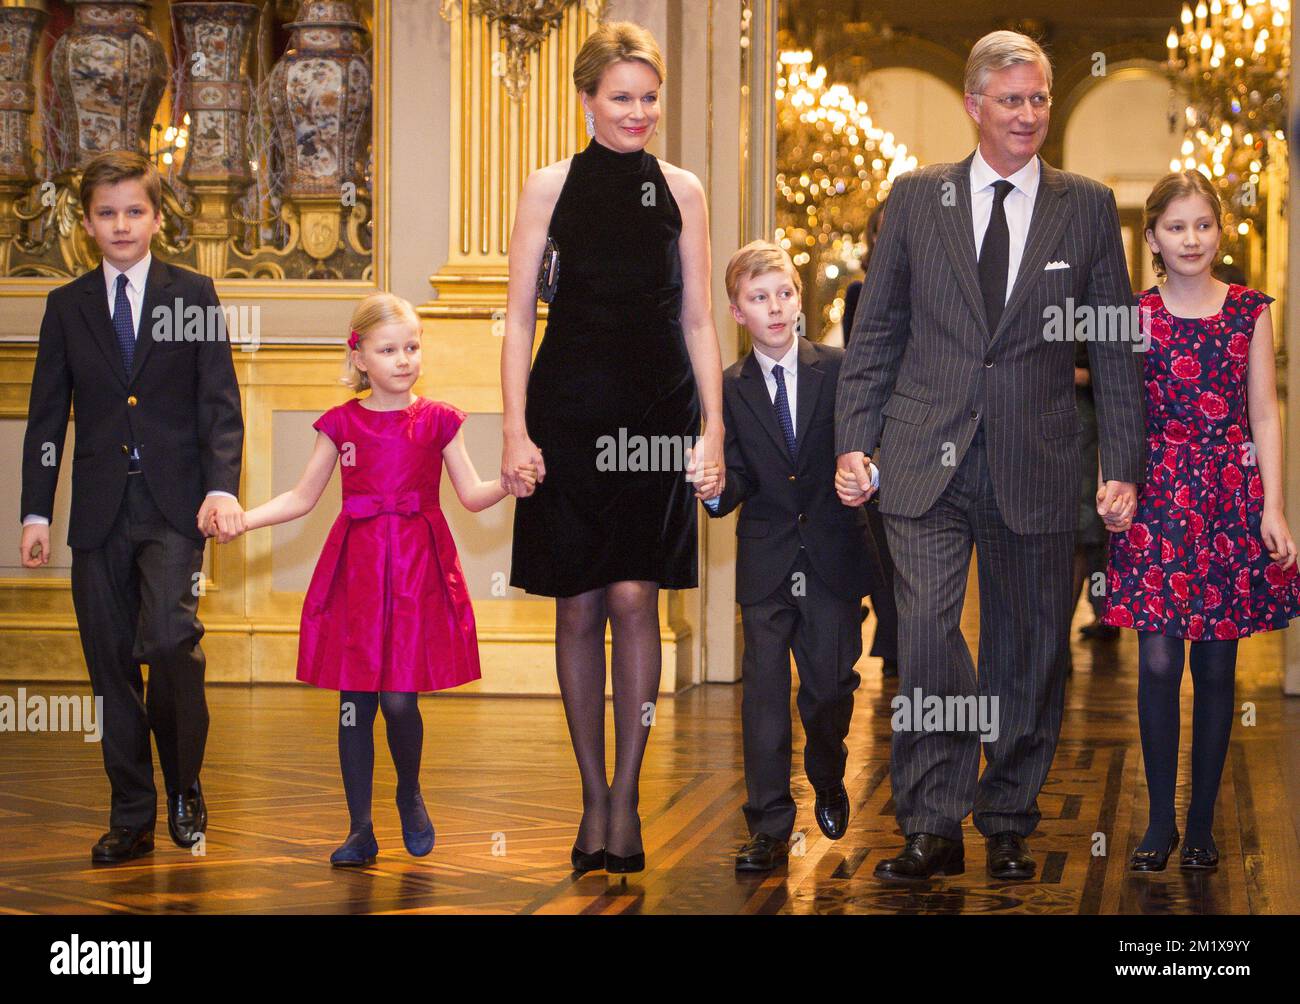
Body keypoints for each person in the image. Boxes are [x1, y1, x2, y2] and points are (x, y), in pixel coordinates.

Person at [834, 30, 1146, 882]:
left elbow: (1114, 346)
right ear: (974, 106)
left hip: (1037, 456)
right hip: (922, 453)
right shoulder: (914, 197)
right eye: (1012, 100)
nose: (1029, 115)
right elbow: (877, 335)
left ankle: (1007, 810)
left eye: (1040, 98)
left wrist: (1120, 462)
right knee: (929, 636)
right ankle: (932, 820)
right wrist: (854, 441)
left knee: (1031, 644)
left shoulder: (1083, 206)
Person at [499, 21, 725, 875]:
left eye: (650, 98)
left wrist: (715, 428)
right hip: (568, 413)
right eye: (622, 97)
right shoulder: (547, 188)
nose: (639, 112)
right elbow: (520, 317)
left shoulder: (685, 190)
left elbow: (699, 318)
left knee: (636, 596)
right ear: (588, 99)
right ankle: (590, 793)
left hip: (660, 410)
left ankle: (628, 795)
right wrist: (515, 430)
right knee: (579, 602)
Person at [226, 293, 536, 865]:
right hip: (358, 569)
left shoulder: (440, 420)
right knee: (355, 701)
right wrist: (245, 519)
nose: (403, 359)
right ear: (361, 357)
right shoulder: (341, 423)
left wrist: (508, 485)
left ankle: (410, 791)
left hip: (417, 568)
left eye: (412, 347)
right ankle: (359, 828)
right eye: (388, 349)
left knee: (398, 700)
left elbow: (470, 496)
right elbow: (301, 496)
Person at [19, 151, 244, 865]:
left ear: (156, 217)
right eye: (107, 213)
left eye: (134, 211)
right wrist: (34, 512)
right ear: (88, 223)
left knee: (172, 643)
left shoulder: (194, 293)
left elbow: (219, 402)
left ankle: (184, 783)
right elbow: (47, 419)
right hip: (98, 514)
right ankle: (131, 814)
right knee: (110, 665)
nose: (121, 224)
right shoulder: (67, 306)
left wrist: (222, 485)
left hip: (176, 506)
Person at [1102, 172, 1299, 871]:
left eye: (1203, 225)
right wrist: (1115, 483)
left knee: (1216, 667)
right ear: (1152, 237)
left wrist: (1274, 504)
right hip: (1158, 499)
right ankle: (1159, 822)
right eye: (1177, 226)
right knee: (1157, 661)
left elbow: (1266, 413)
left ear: (1220, 231)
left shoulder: (1250, 309)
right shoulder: (1133, 314)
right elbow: (1119, 413)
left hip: (1229, 497)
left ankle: (1204, 820)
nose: (1192, 238)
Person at [702, 241, 880, 872]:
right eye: (758, 298)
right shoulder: (726, 388)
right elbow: (737, 475)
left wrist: (869, 476)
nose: (774, 308)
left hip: (833, 555)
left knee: (830, 686)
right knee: (765, 694)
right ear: (736, 311)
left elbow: (871, 445)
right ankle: (769, 825)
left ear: (797, 301)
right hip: (767, 559)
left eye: (782, 294)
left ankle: (827, 774)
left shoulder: (840, 368)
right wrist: (717, 489)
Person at [842, 203, 899, 677]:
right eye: (881, 232)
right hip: (878, 428)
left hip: (919, 425)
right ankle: (891, 633)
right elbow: (861, 361)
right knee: (878, 536)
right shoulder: (860, 293)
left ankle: (899, 637)